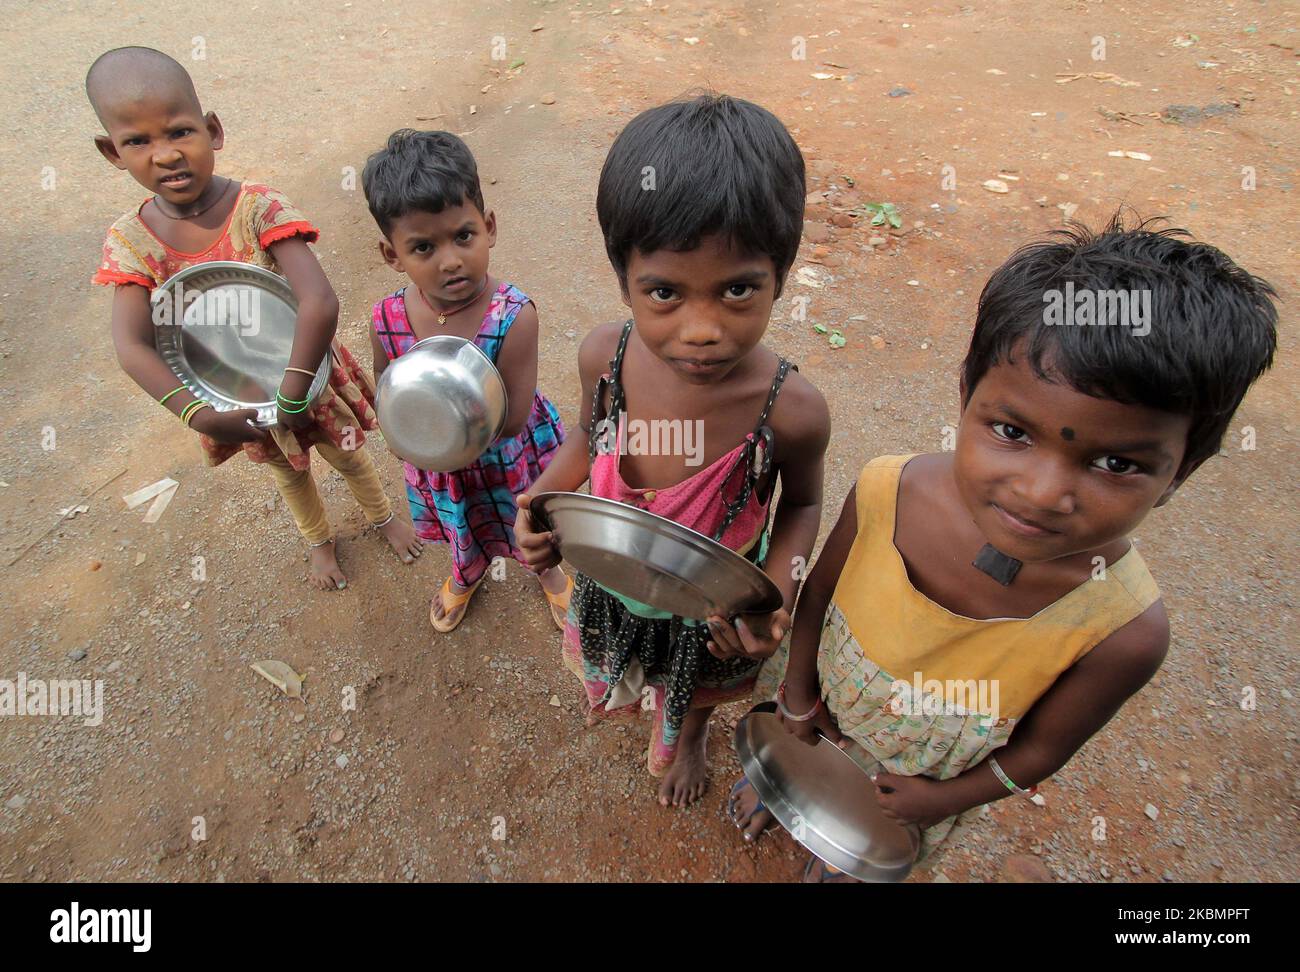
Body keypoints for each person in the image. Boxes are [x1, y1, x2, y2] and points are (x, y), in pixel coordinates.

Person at [733, 215, 1278, 880]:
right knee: (793, 758)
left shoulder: (1123, 633)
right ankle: (788, 789)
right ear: (966, 395)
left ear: (1181, 473)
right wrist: (793, 695)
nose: (1043, 492)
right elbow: (817, 597)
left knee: (866, 841)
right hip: (817, 712)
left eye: (1118, 463)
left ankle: (846, 848)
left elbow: (1043, 750)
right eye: (1014, 431)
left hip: (923, 784)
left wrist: (945, 799)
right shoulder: (887, 490)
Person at [515, 94, 831, 806]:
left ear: (780, 274)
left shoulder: (791, 410)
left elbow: (805, 507)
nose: (701, 328)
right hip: (611, 574)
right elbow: (587, 440)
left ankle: (690, 737)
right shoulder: (607, 355)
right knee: (622, 657)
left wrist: (775, 597)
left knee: (696, 690)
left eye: (738, 290)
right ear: (622, 276)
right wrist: (536, 504)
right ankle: (640, 699)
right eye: (664, 291)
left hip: (712, 613)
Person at [88, 47, 421, 591]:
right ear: (112, 152)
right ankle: (318, 540)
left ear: (213, 130)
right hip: (233, 393)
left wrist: (293, 389)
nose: (166, 154)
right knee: (289, 474)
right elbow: (132, 345)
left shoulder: (257, 207)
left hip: (305, 369)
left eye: (179, 131)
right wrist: (196, 413)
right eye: (138, 141)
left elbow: (318, 301)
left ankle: (383, 516)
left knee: (347, 453)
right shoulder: (131, 243)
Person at [363, 129, 569, 633]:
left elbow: (514, 416)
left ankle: (548, 571)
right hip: (436, 454)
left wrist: (452, 427)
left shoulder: (513, 316)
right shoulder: (386, 318)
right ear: (393, 255)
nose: (450, 259)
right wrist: (405, 435)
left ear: (489, 226)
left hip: (504, 451)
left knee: (528, 519)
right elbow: (385, 390)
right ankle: (466, 570)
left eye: (463, 236)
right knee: (462, 520)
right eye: (423, 247)